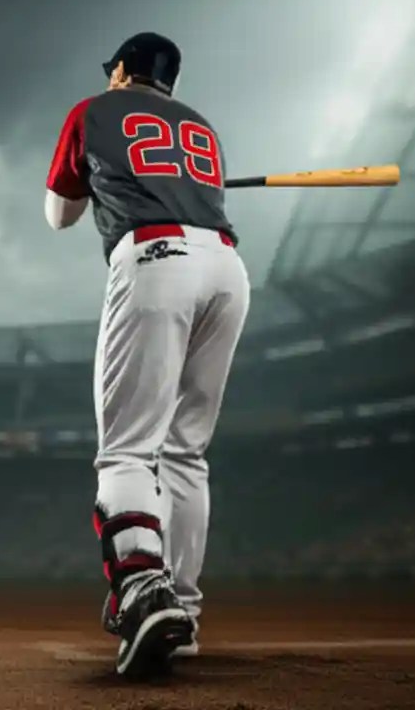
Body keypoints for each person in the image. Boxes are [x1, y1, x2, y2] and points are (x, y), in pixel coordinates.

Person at [43, 33, 250, 679]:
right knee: (187, 452)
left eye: (114, 72)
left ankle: (141, 590)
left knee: (129, 449)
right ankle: (181, 611)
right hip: (227, 267)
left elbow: (60, 216)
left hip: (157, 256)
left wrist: (96, 189)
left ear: (125, 71)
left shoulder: (94, 110)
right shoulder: (201, 126)